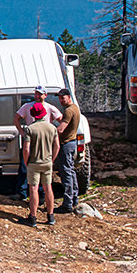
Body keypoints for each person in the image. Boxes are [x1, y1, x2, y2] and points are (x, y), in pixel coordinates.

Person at [16, 87, 61, 202]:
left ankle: (41, 196)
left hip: (44, 141)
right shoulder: (27, 106)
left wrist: (57, 132)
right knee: (25, 168)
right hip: (30, 138)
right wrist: (21, 131)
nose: (37, 96)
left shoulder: (50, 108)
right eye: (36, 94)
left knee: (41, 174)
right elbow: (16, 118)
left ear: (45, 95)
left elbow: (61, 119)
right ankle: (22, 192)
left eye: (40, 94)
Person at [22, 100, 60, 226]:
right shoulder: (52, 128)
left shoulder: (30, 129)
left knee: (33, 188)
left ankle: (33, 217)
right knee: (48, 187)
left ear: (33, 115)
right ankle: (50, 216)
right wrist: (52, 159)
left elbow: (26, 148)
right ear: (44, 114)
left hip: (34, 162)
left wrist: (26, 162)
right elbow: (57, 146)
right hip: (47, 162)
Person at [54, 87, 84, 215]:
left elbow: (61, 129)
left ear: (69, 97)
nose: (61, 100)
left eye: (63, 98)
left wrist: (50, 134)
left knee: (66, 173)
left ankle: (67, 203)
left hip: (66, 144)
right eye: (60, 98)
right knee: (71, 171)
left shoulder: (68, 111)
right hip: (72, 143)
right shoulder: (75, 108)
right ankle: (74, 199)